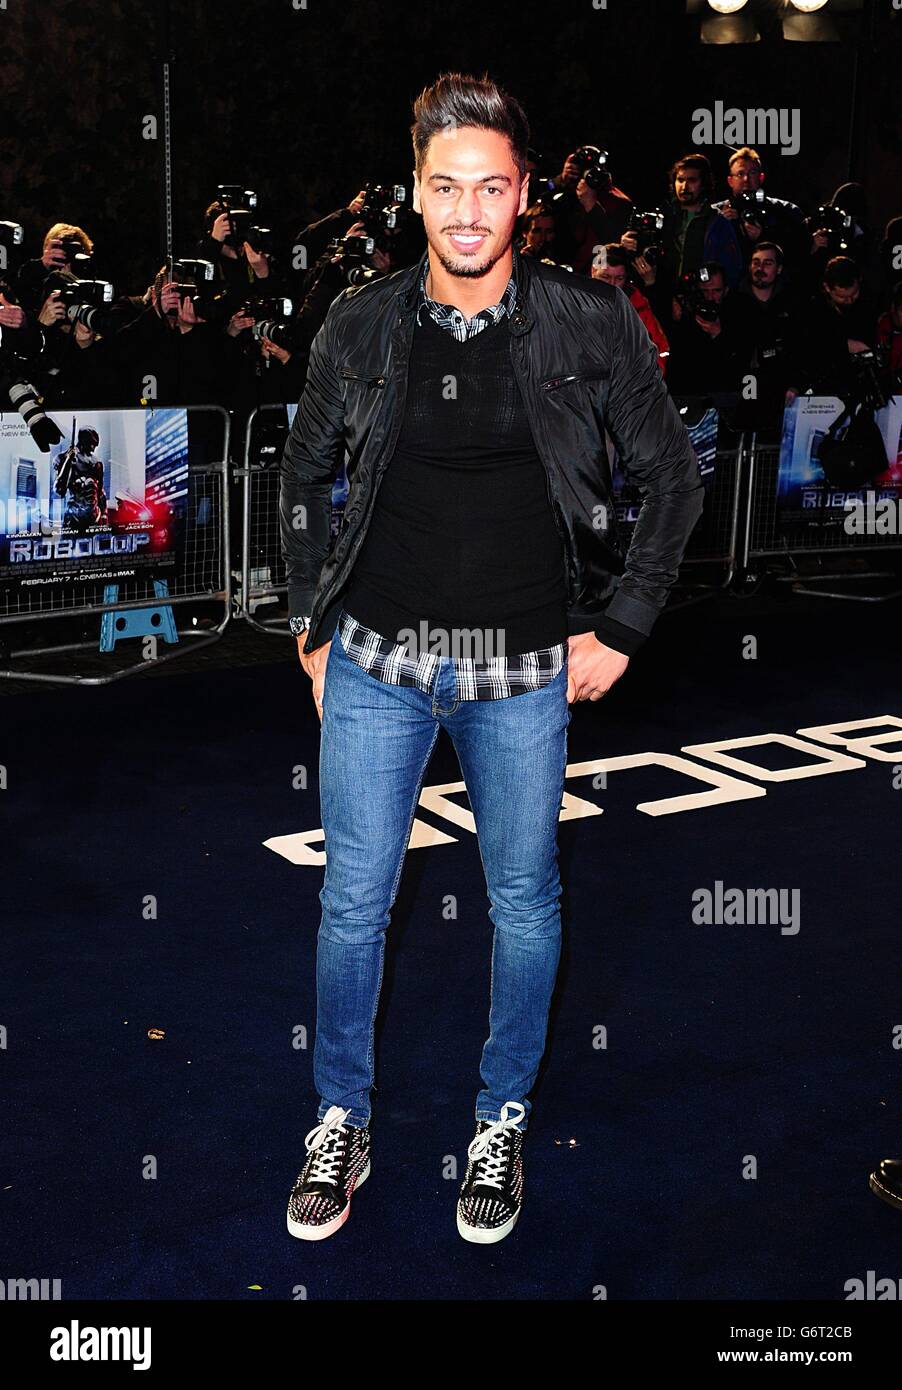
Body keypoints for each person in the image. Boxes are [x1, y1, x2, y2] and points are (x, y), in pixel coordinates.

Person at [279, 71, 703, 1245]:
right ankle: (338, 1116)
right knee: (352, 906)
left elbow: (672, 475)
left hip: (522, 670)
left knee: (522, 901)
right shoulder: (358, 320)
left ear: (525, 197)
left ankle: (501, 1115)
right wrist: (311, 626)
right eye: (444, 187)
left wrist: (622, 624)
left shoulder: (587, 318)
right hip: (373, 663)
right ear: (414, 195)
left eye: (491, 189)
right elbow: (301, 474)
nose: (467, 212)